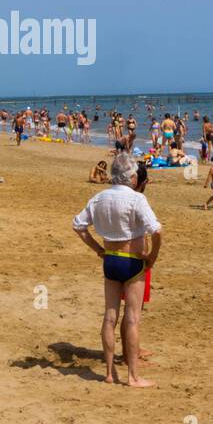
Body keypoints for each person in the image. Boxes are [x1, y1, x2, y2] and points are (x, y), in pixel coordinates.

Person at [71, 153, 162, 388]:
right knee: (132, 319)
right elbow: (156, 231)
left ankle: (109, 372)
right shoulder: (136, 199)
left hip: (110, 259)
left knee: (109, 317)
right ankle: (133, 376)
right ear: (132, 177)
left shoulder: (99, 197)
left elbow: (78, 225)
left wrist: (98, 249)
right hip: (132, 261)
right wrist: (152, 256)